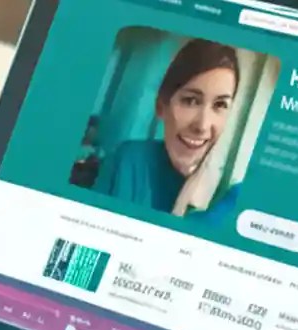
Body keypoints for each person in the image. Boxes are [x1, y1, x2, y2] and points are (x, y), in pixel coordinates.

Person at [93, 39, 244, 224]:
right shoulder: (128, 161)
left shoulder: (233, 200)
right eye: (191, 101)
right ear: (161, 106)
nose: (202, 125)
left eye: (220, 104)